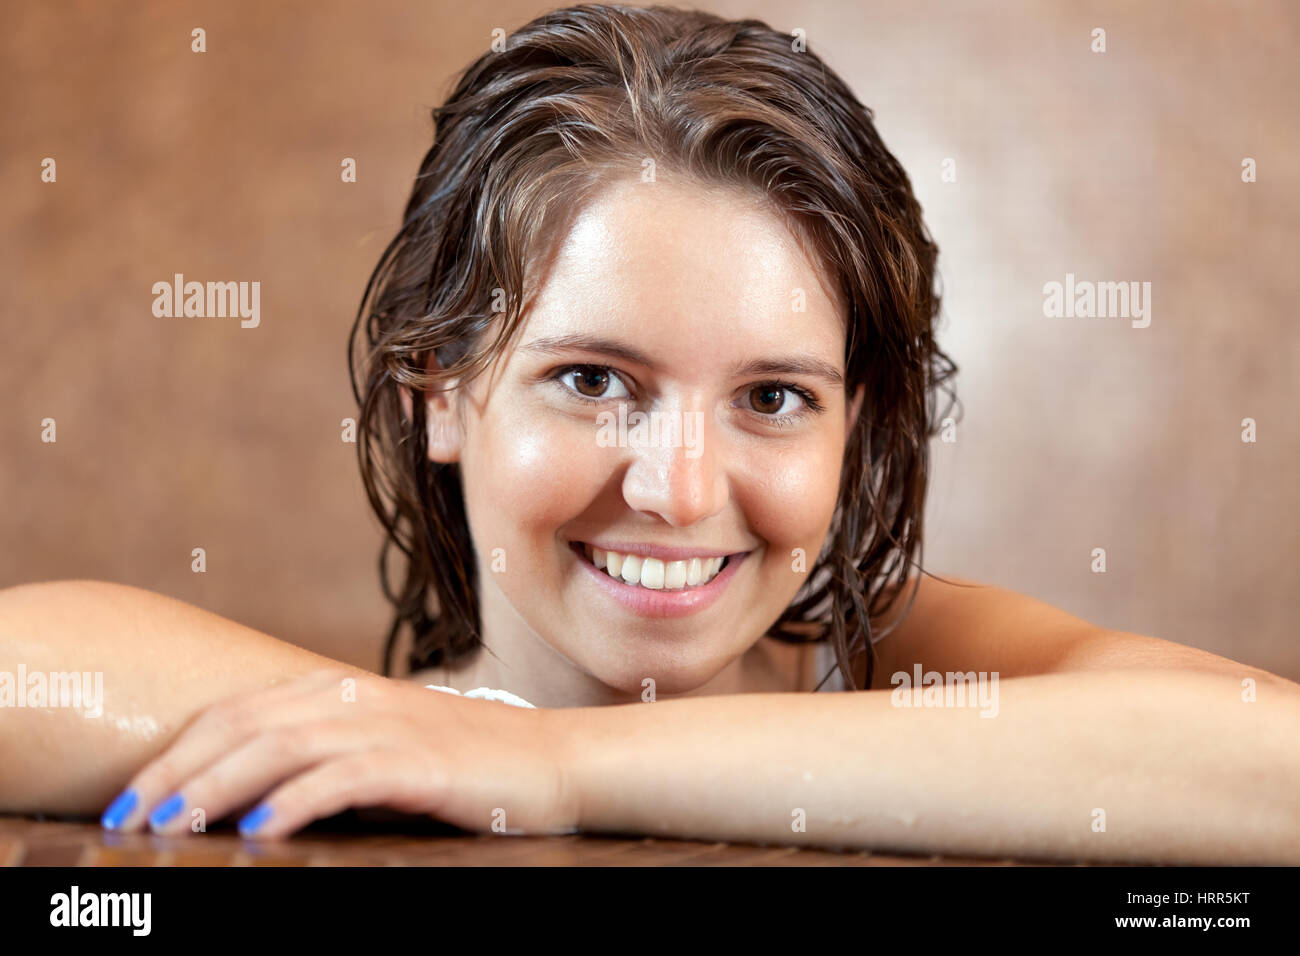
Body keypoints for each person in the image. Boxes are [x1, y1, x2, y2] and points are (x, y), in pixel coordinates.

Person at [1, 4, 1296, 863]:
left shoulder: (902, 653)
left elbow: (1272, 767)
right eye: (594, 381)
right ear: (439, 391)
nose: (679, 492)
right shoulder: (360, 733)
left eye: (774, 398)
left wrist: (553, 762)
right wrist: (460, 726)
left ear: (857, 429)